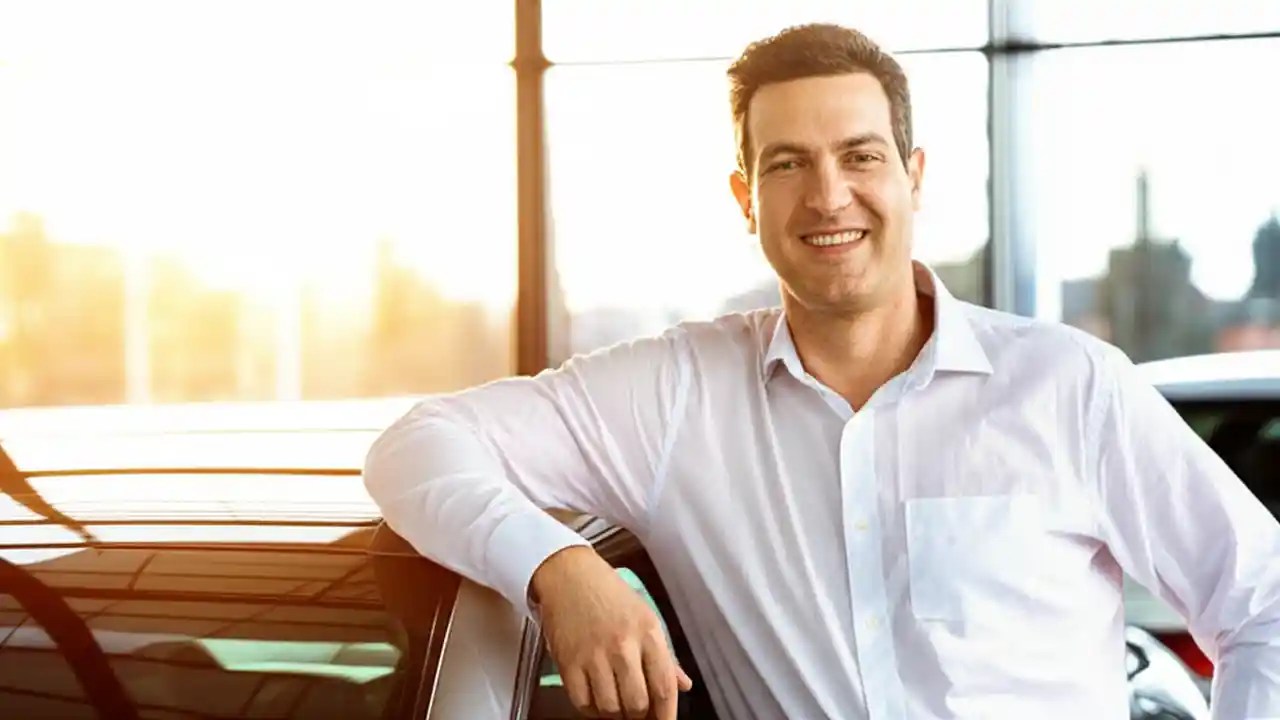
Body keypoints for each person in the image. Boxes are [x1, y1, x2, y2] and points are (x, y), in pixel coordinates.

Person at [363, 22, 1280, 719]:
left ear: (914, 177)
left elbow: (1264, 604)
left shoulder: (1070, 385)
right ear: (744, 198)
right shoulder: (676, 398)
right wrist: (557, 568)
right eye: (787, 163)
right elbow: (415, 447)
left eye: (860, 156)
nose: (828, 195)